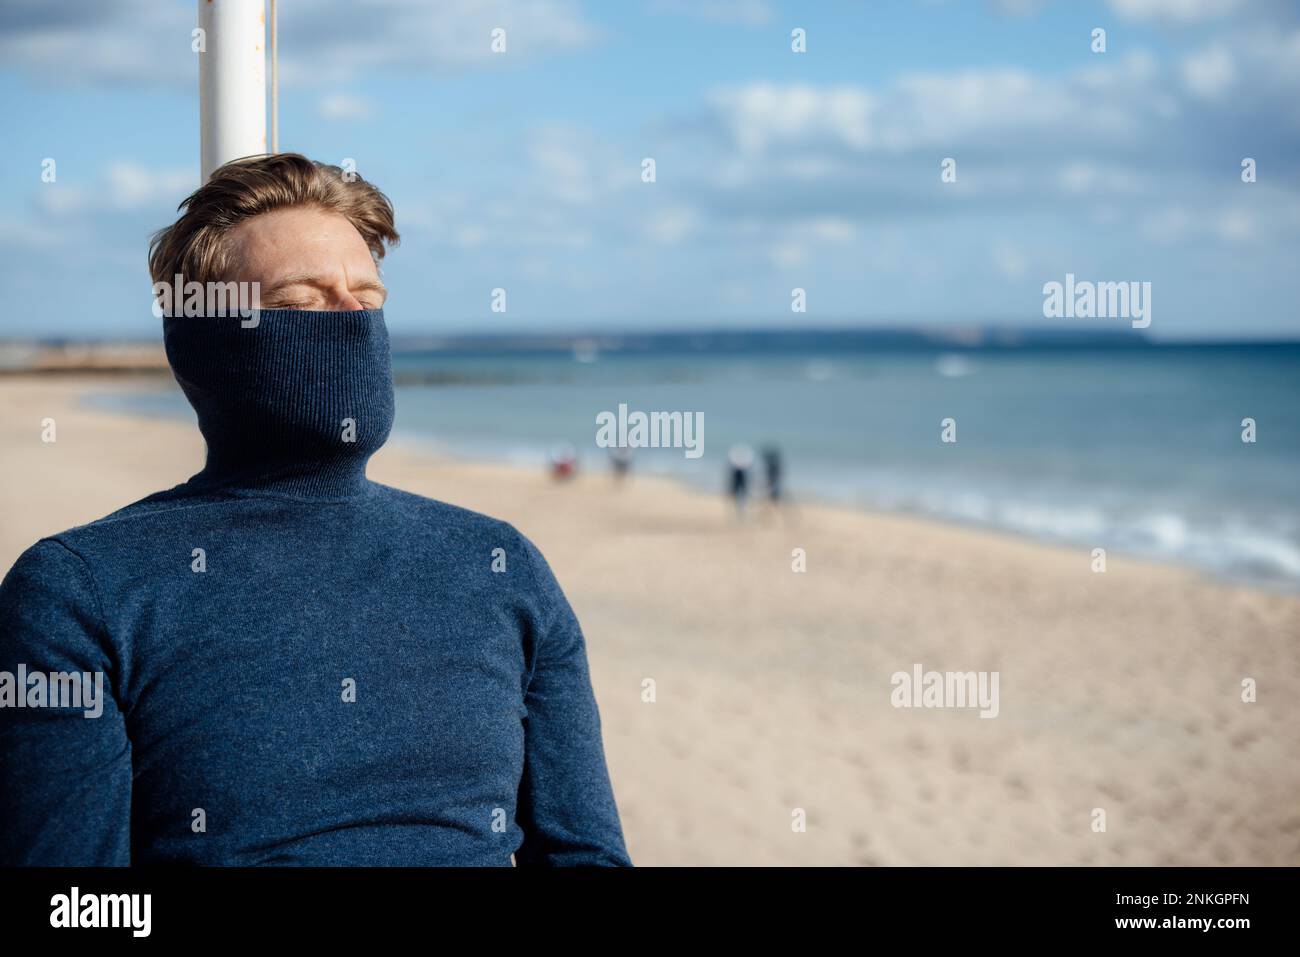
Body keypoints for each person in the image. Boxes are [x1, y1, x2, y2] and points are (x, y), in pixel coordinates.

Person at [0, 153, 631, 867]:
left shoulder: (500, 566)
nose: (353, 324)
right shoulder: (81, 591)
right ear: (206, 340)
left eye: (368, 297)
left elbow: (589, 856)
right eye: (303, 303)